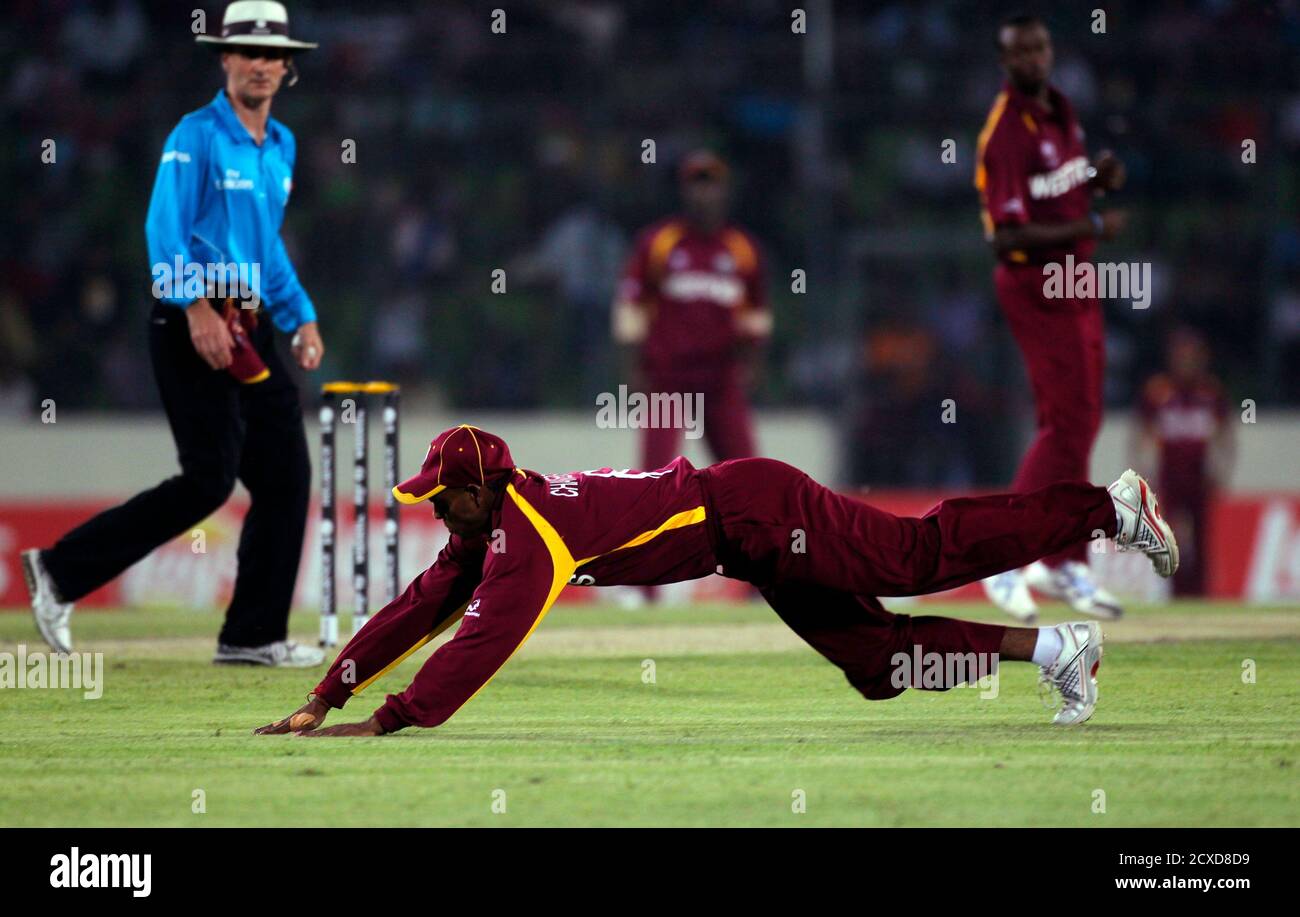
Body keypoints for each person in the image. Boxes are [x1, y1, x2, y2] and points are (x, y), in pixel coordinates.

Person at [255, 424, 1178, 738]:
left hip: (759, 511)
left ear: (477, 487)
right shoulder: (495, 520)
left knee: (915, 556)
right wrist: (328, 693)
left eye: (438, 496)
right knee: (876, 665)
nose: (432, 510)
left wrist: (391, 718)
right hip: (748, 538)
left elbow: (478, 644)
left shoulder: (525, 535)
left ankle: (1108, 507)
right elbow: (425, 606)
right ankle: (1059, 649)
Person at [20, 1, 325, 667]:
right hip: (193, 322)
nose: (263, 65)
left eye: (274, 55)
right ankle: (58, 571)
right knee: (210, 480)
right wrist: (193, 310)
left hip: (249, 325)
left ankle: (252, 635)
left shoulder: (282, 146)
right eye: (250, 52)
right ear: (225, 59)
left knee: (285, 475)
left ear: (286, 66)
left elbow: (265, 247)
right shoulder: (196, 135)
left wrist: (298, 313)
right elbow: (163, 230)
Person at [974, 13, 1129, 622]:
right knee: (1065, 423)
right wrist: (1089, 225)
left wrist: (1093, 180)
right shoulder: (1005, 131)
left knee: (1080, 418)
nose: (1033, 59)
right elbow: (1004, 236)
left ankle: (1062, 559)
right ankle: (1009, 561)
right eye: (1020, 53)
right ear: (1004, 62)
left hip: (1076, 276)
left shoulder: (1063, 109)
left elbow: (1053, 190)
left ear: (1050, 49)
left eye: (1039, 47)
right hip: (1036, 281)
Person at [1135, 328, 1232, 597]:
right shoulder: (1158, 391)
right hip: (1170, 475)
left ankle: (1201, 592)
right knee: (1173, 536)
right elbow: (1142, 432)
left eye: (1193, 357)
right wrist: (1142, 471)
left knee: (1201, 537)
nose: (1187, 363)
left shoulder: (1210, 391)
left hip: (1199, 476)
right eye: (1182, 357)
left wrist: (1222, 467)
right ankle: (1176, 591)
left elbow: (1225, 433)